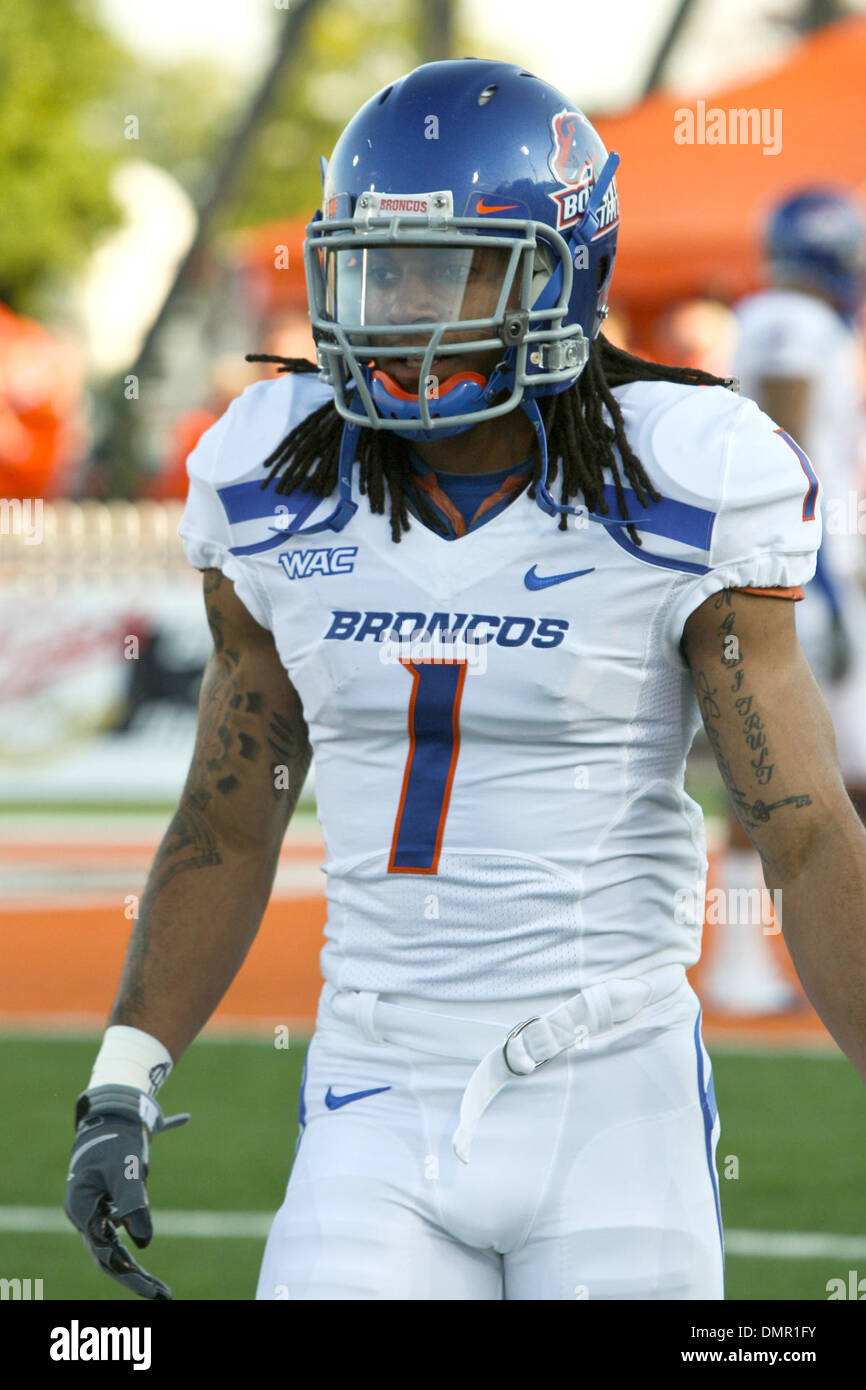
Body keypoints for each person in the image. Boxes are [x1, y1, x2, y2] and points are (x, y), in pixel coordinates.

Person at [64, 60, 866, 1302]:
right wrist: (124, 1070)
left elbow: (803, 833)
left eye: (445, 269)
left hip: (613, 1093)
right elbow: (230, 813)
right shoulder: (274, 473)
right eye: (375, 270)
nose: (398, 309)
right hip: (373, 1086)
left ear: (562, 269)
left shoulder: (682, 475)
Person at [704, 188, 866, 1015]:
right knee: (773, 763)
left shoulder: (780, 316)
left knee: (847, 769)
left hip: (819, 566)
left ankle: (835, 951)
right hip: (803, 572)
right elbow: (786, 448)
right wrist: (822, 575)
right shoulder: (793, 323)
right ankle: (740, 962)